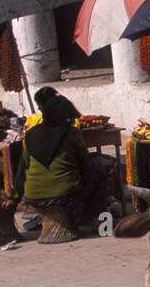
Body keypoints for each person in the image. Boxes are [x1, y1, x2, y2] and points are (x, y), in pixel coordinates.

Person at [12, 89, 110, 232]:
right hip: (64, 197)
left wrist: (14, 197)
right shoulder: (73, 133)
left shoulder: (31, 133)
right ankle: (102, 225)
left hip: (33, 197)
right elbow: (85, 165)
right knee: (99, 170)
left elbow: (22, 168)